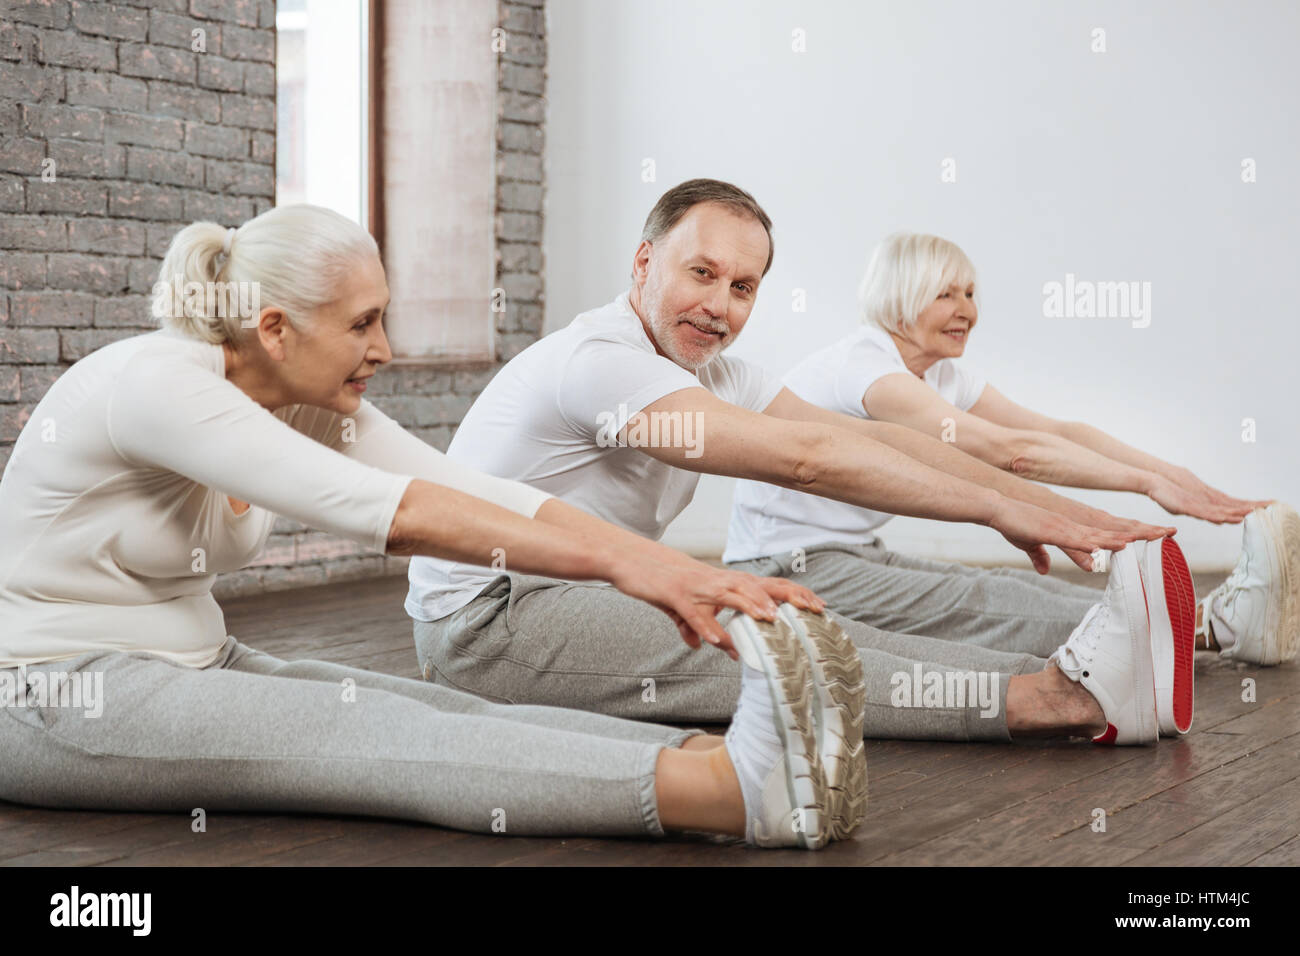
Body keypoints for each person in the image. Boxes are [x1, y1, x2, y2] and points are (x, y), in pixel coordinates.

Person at [0, 204, 866, 850]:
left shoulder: (291, 393)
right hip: (54, 694)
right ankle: (727, 792)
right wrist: (638, 573)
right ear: (274, 328)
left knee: (413, 701)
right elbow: (403, 518)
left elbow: (469, 489)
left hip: (195, 658)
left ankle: (729, 754)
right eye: (362, 323)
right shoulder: (157, 385)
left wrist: (663, 565)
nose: (384, 347)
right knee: (363, 736)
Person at [406, 178, 1190, 749]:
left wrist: (1037, 502)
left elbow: (869, 440)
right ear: (644, 263)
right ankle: (1056, 702)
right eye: (701, 273)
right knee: (778, 644)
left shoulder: (719, 371)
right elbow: (809, 460)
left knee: (823, 626)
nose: (720, 305)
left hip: (590, 587)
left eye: (743, 287)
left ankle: (1080, 673)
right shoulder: (598, 363)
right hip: (489, 622)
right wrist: (998, 509)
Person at [725, 231, 1296, 670]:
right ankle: (1221, 627)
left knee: (1022, 589)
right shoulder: (869, 369)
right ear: (900, 299)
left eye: (970, 293)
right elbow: (1009, 453)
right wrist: (1145, 488)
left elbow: (1054, 431)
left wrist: (1166, 472)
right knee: (985, 600)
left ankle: (1213, 624)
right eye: (944, 293)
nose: (966, 309)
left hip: (852, 550)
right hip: (786, 564)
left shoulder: (942, 375)